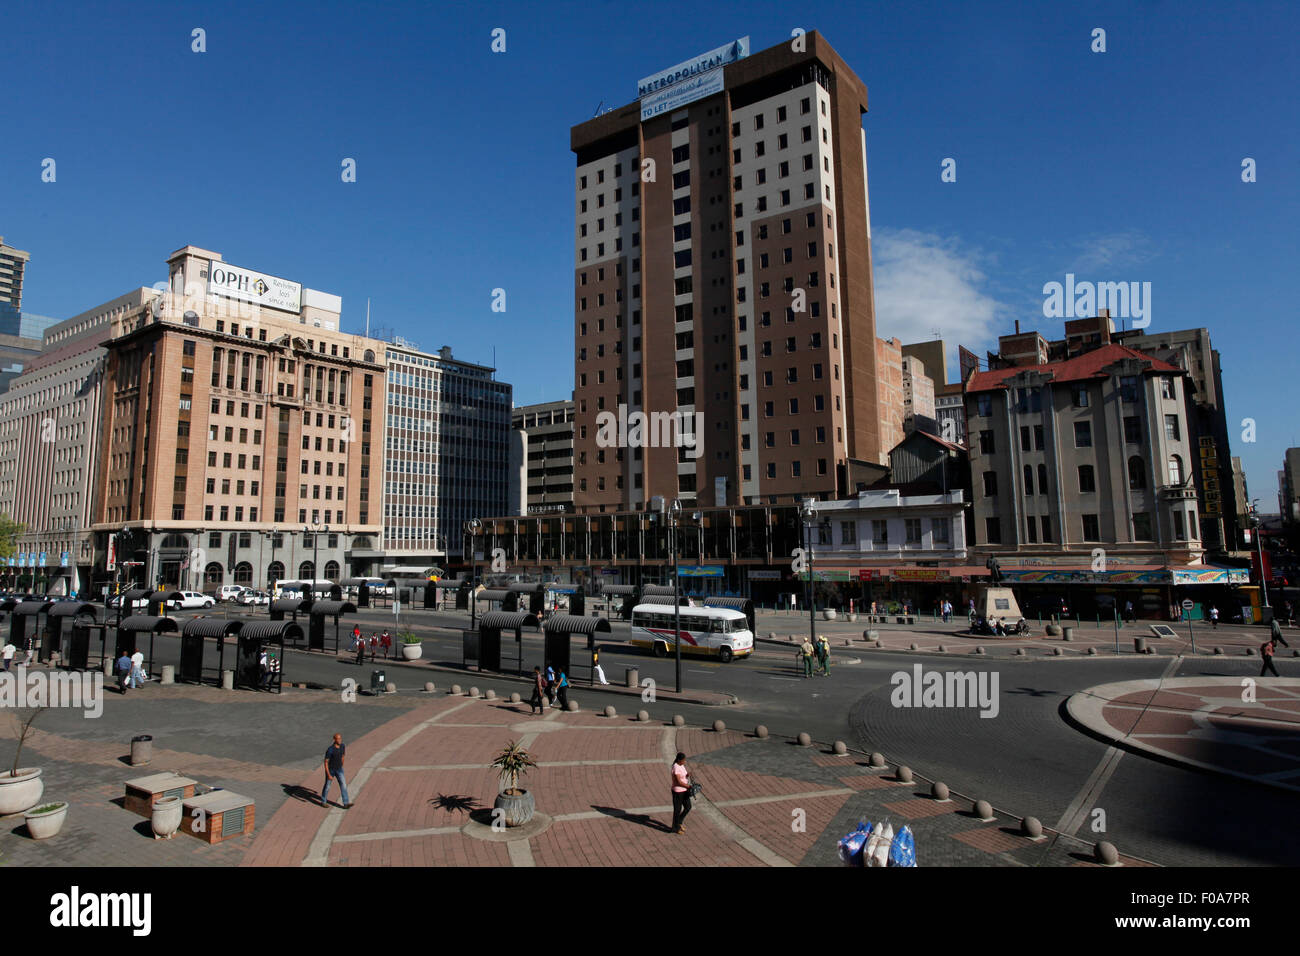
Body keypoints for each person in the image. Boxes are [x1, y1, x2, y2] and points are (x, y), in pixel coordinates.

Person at [320, 733, 351, 808]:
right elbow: (326, 762)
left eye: (340, 738)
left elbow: (343, 756)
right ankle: (323, 801)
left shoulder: (342, 746)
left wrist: (341, 765)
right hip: (331, 770)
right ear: (334, 739)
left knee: (343, 785)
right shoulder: (330, 750)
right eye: (338, 738)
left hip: (339, 769)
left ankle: (346, 803)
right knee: (327, 786)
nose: (340, 740)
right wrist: (328, 774)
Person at [669, 752, 692, 834]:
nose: (684, 762)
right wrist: (688, 786)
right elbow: (678, 782)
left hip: (684, 791)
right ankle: (675, 828)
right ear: (679, 760)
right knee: (677, 810)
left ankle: (679, 822)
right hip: (678, 792)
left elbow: (683, 776)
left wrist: (687, 775)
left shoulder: (681, 765)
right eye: (683, 760)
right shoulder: (675, 767)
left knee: (688, 806)